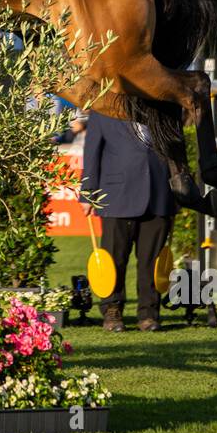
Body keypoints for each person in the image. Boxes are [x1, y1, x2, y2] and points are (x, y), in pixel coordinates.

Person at [79, 111, 175, 333]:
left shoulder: (161, 109)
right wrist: (87, 193)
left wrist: (180, 191)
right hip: (116, 196)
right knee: (114, 258)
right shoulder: (102, 111)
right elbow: (91, 153)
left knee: (153, 261)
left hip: (159, 194)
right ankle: (112, 311)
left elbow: (176, 152)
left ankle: (149, 314)